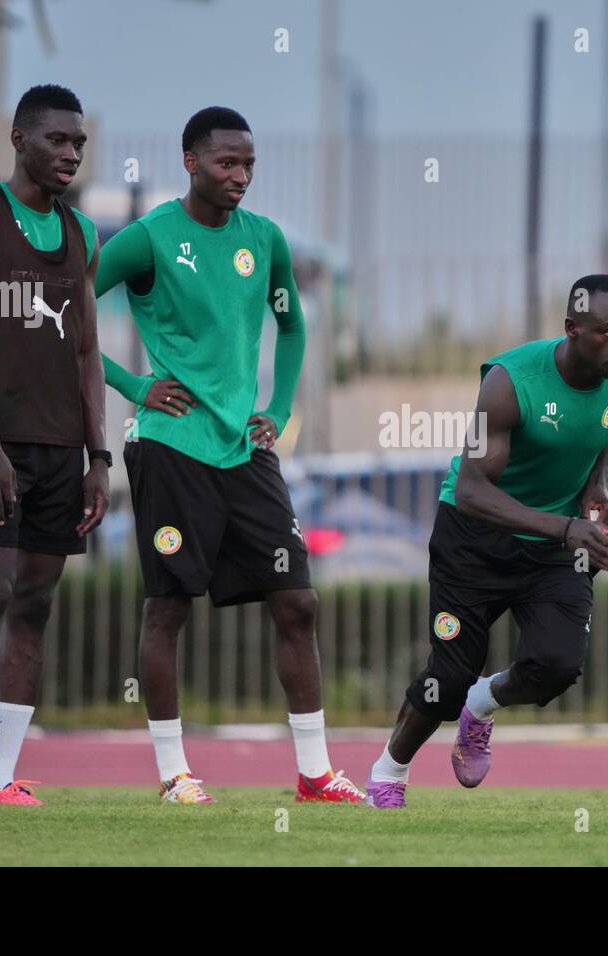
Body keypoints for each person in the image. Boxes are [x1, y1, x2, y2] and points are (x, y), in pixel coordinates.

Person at [97, 106, 361, 804]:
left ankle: (313, 773)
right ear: (191, 162)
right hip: (169, 448)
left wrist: (276, 411)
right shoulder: (149, 238)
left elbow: (292, 326)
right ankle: (174, 774)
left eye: (248, 163)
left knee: (297, 600)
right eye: (225, 162)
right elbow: (65, 312)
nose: (239, 175)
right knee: (168, 609)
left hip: (244, 453)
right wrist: (135, 386)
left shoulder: (264, 240)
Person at [366, 274, 608, 809]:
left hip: (554, 550)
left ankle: (484, 703)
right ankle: (388, 772)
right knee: (446, 679)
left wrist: (598, 480)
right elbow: (472, 490)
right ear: (572, 329)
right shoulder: (508, 382)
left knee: (558, 666)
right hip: (473, 540)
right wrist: (568, 527)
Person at [0, 84, 108, 808]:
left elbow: (87, 352)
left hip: (61, 451)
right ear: (19, 139)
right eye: (57, 140)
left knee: (34, 603)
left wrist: (98, 457)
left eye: (78, 144)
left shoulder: (83, 234)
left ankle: (3, 778)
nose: (69, 153)